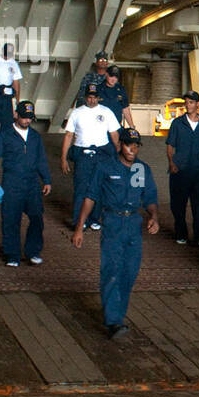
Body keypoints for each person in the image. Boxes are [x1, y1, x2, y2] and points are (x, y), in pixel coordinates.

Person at [72, 127, 159, 339]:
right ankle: (113, 321)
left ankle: (118, 315)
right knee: (112, 270)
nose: (132, 149)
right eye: (129, 144)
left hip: (134, 223)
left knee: (129, 272)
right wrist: (79, 228)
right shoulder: (104, 167)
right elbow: (90, 197)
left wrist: (154, 217)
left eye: (136, 145)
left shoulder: (143, 169)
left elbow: (150, 199)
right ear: (120, 145)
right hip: (112, 221)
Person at [0, 100, 51, 267]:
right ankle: (12, 255)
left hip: (32, 184)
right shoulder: (5, 135)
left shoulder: (35, 137)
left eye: (30, 118)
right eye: (24, 117)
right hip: (12, 183)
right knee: (10, 220)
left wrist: (47, 180)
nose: (27, 121)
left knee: (37, 217)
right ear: (16, 115)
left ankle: (33, 252)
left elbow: (42, 160)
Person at [61, 81, 120, 232]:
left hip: (102, 153)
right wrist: (63, 159)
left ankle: (94, 219)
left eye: (95, 97)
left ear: (99, 98)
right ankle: (79, 221)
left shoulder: (106, 112)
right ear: (85, 97)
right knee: (81, 188)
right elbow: (68, 136)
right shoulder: (77, 112)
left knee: (99, 187)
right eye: (89, 97)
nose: (92, 100)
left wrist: (119, 154)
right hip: (83, 153)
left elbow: (114, 134)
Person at [166, 90, 199, 247]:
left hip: (197, 170)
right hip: (180, 169)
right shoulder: (177, 123)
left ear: (197, 104)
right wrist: (172, 163)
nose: (188, 105)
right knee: (178, 204)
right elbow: (170, 145)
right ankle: (181, 234)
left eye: (191, 102)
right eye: (186, 102)